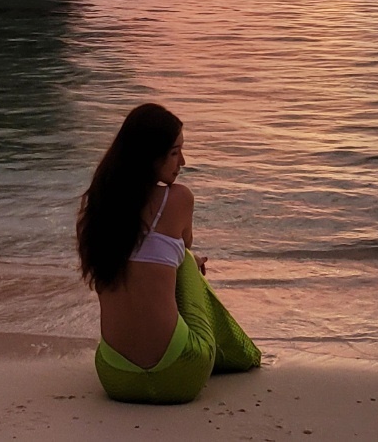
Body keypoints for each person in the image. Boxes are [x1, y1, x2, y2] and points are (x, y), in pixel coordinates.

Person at [76, 102, 261, 404]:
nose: (183, 161)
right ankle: (239, 352)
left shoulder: (95, 215)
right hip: (180, 374)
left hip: (115, 377)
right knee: (187, 260)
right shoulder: (178, 199)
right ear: (149, 155)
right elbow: (182, 248)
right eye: (175, 152)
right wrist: (192, 260)